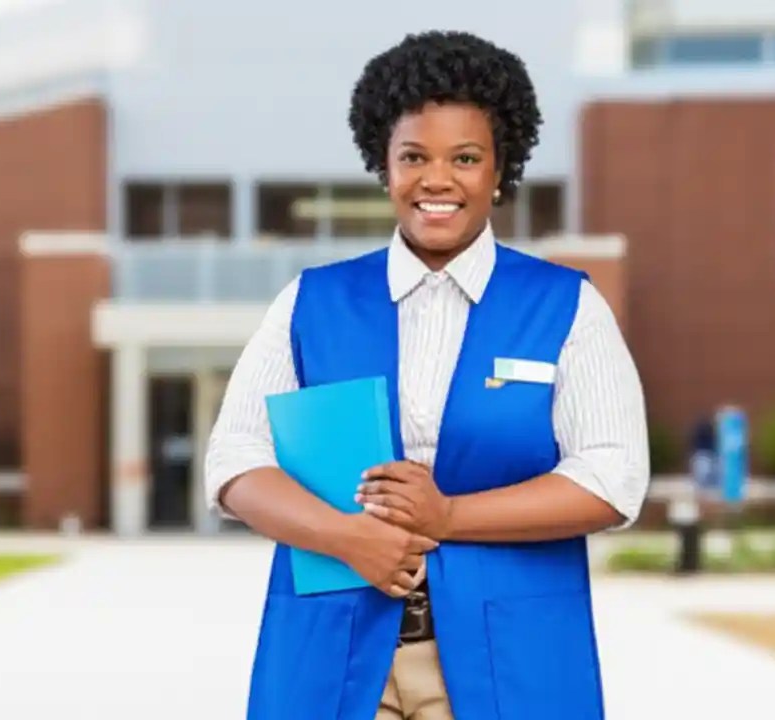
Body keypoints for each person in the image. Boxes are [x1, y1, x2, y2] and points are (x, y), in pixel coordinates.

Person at [205, 30, 650, 720]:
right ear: (384, 165)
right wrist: (346, 536)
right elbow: (235, 460)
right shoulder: (311, 304)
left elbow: (613, 476)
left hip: (509, 662)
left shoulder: (564, 308)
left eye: (465, 159)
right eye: (414, 156)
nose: (437, 180)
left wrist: (449, 515)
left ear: (500, 171)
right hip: (334, 655)